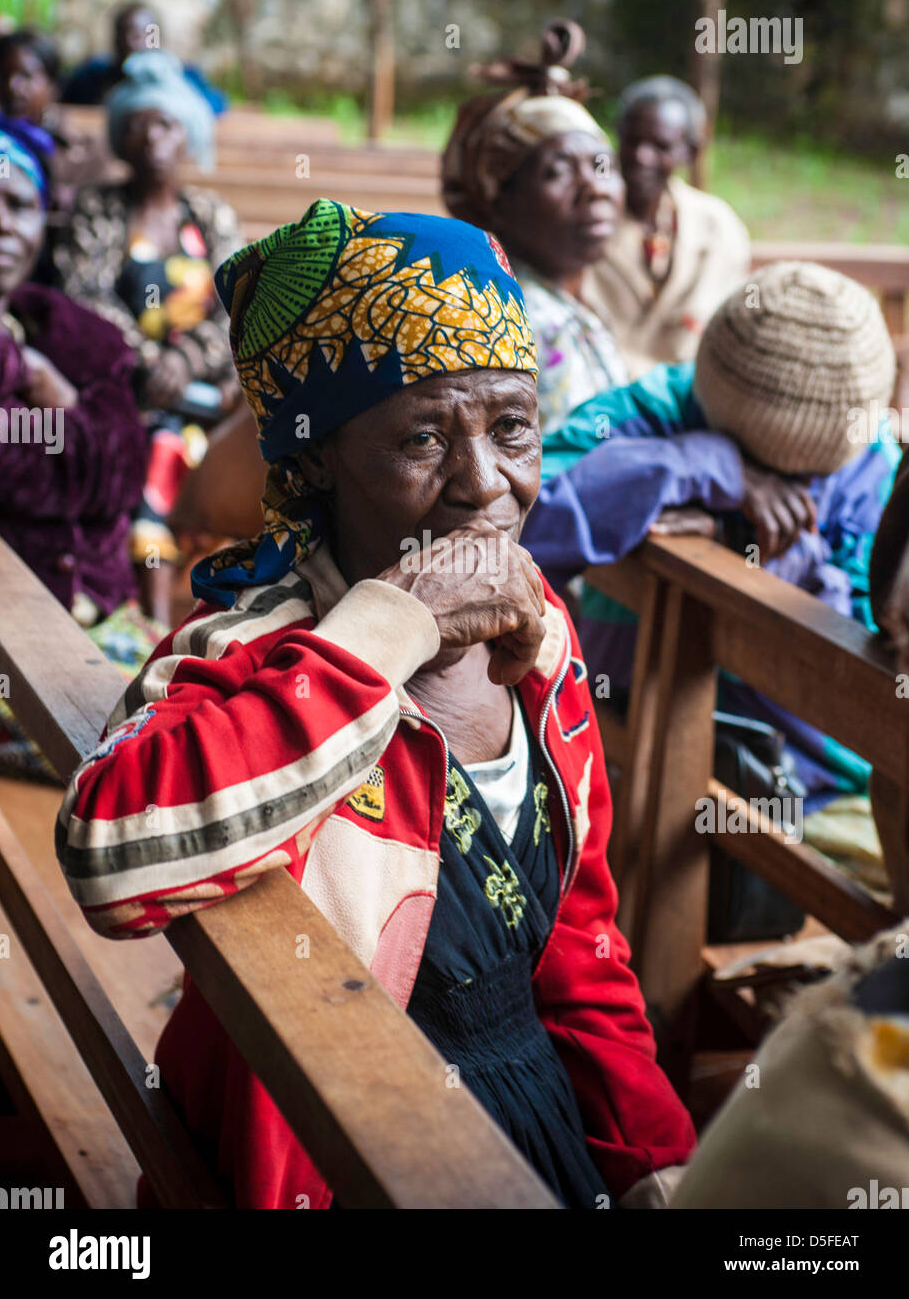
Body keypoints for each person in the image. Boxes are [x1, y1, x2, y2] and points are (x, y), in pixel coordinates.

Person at [55, 198, 696, 1210]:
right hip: (327, 1137)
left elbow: (577, 945)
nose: (482, 484)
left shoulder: (541, 637)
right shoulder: (253, 648)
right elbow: (109, 853)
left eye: (513, 427)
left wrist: (654, 1155)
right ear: (314, 461)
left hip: (536, 1119)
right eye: (422, 439)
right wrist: (393, 627)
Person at [521, 261, 898, 880]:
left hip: (816, 774)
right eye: (765, 467)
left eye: (810, 478)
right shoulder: (660, 413)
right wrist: (700, 464)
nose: (794, 489)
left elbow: (869, 645)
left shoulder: (869, 464)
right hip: (632, 742)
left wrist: (760, 544)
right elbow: (526, 514)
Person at [54, 48, 244, 624]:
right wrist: (149, 360)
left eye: (164, 123)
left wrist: (185, 359)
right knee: (157, 440)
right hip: (125, 385)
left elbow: (239, 304)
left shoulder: (210, 215)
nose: (151, 137)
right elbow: (85, 296)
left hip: (206, 389)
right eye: (136, 123)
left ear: (185, 135)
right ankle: (155, 618)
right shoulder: (99, 210)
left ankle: (190, 616)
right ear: (120, 136)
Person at [0, 119, 161, 778]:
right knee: (129, 754)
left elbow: (126, 470)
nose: (3, 224)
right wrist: (69, 410)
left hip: (99, 619)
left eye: (18, 206)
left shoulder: (79, 335)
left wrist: (54, 396)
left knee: (189, 720)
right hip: (13, 637)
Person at [443, 21, 628, 436]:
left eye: (603, 167)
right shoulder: (521, 321)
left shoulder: (571, 306)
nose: (593, 190)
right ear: (500, 201)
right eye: (558, 172)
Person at [583, 75, 750, 379]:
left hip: (691, 403)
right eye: (632, 140)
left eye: (660, 146)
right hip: (602, 403)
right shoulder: (585, 219)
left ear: (691, 152)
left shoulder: (719, 228)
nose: (640, 156)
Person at [0, 28, 106, 283]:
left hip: (59, 277)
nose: (14, 87)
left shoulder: (77, 150)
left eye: (26, 76)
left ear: (53, 86)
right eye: (4, 75)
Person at [61, 1, 228, 115]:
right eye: (124, 35)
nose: (132, 44)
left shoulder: (181, 75)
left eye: (143, 35)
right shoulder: (94, 75)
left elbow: (216, 103)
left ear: (159, 41)